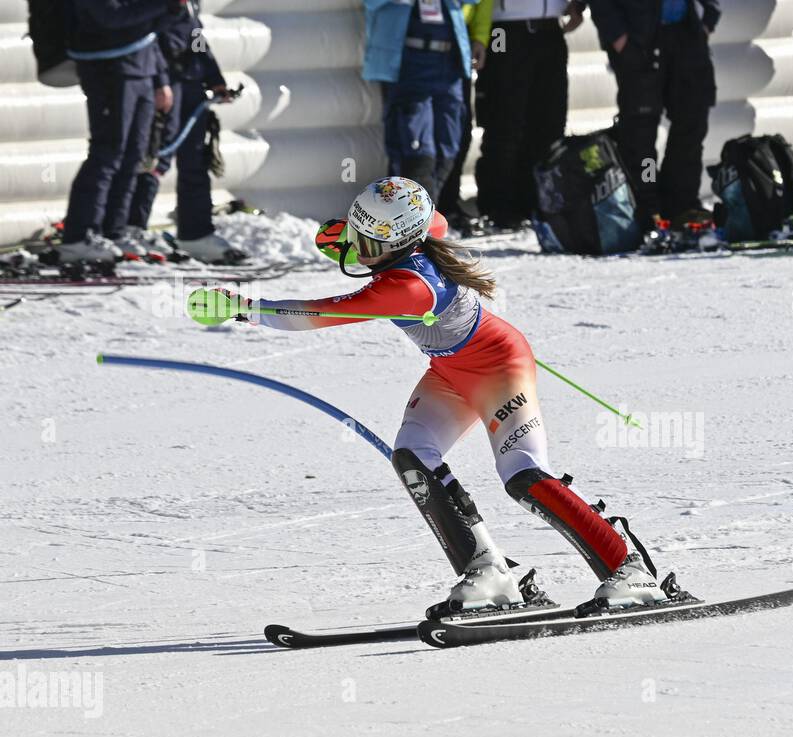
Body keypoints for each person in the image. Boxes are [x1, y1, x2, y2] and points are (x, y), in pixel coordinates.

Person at [194, 177, 669, 613]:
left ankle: (630, 569)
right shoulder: (414, 232)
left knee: (522, 475)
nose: (358, 248)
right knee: (412, 457)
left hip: (500, 369)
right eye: (360, 234)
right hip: (450, 370)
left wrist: (244, 309)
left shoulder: (411, 287)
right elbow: (406, 223)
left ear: (398, 244)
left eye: (368, 243)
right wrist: (351, 237)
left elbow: (323, 313)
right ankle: (488, 573)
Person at [123, 0, 244, 263]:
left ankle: (195, 233)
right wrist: (160, 82)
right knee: (155, 159)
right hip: (162, 83)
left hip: (190, 83)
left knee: (196, 159)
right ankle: (131, 228)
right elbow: (146, 36)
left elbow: (195, 35)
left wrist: (215, 79)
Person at [58, 0, 176, 264]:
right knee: (107, 153)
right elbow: (111, 16)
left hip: (142, 69)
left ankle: (114, 231)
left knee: (133, 157)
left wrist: (160, 79)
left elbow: (151, 31)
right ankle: (79, 236)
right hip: (108, 68)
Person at [586, 0, 721, 229]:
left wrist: (708, 21)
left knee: (692, 121)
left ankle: (682, 204)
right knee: (641, 135)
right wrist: (619, 38)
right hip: (639, 38)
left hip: (685, 35)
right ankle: (649, 205)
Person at [474, 1, 585, 230]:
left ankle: (537, 204)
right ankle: (497, 207)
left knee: (550, 124)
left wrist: (578, 4)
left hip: (551, 28)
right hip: (503, 29)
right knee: (504, 122)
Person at [363, 0, 480, 206]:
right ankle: (416, 226)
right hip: (407, 60)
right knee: (415, 150)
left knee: (448, 146)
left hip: (449, 62)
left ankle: (424, 219)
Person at [437, 2, 493, 235]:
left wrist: (480, 37)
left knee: (459, 132)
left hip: (457, 47)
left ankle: (448, 206)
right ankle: (421, 211)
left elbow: (482, 3)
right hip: (414, 51)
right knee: (417, 137)